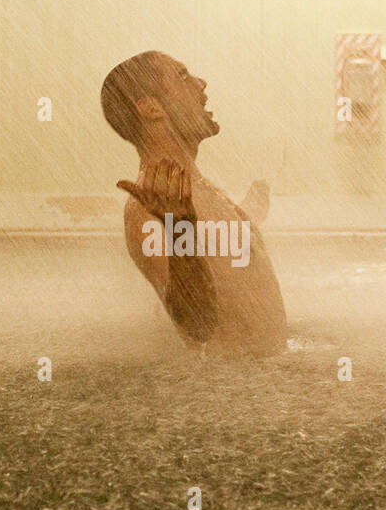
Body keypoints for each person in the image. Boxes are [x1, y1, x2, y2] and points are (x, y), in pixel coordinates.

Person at [100, 51, 287, 357]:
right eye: (182, 76)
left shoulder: (196, 191)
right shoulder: (148, 210)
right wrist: (179, 226)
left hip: (262, 377)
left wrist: (248, 215)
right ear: (150, 108)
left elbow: (218, 256)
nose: (201, 83)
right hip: (234, 383)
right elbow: (196, 325)